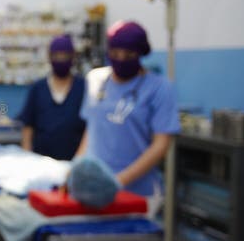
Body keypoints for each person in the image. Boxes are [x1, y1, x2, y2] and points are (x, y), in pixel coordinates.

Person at [75, 20, 180, 197]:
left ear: (141, 53)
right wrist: (75, 169)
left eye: (129, 54)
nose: (121, 59)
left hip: (137, 190)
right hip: (92, 187)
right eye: (115, 53)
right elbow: (91, 131)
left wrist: (118, 181)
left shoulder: (159, 88)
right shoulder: (96, 80)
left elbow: (161, 145)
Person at [17, 34, 86, 160]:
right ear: (49, 57)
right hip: (41, 164)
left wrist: (79, 162)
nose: (61, 59)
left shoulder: (83, 88)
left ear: (73, 57)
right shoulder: (38, 89)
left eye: (65, 56)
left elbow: (90, 129)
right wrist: (26, 158)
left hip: (74, 164)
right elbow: (27, 127)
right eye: (57, 56)